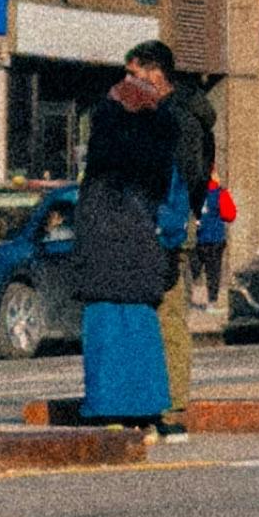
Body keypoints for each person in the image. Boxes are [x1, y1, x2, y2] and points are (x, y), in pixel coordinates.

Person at [71, 35, 190, 437]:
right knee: (141, 328)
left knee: (105, 329)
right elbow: (173, 211)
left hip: (100, 250)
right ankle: (148, 409)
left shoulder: (100, 160)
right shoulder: (159, 151)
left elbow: (81, 207)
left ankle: (106, 408)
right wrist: (168, 242)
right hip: (141, 248)